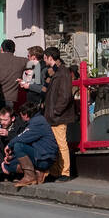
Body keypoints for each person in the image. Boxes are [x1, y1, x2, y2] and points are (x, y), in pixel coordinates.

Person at [0, 101, 58, 187]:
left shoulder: (37, 122)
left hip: (44, 159)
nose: (21, 117)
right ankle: (38, 172)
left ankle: (30, 176)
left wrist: (9, 145)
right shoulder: (36, 120)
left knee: (18, 145)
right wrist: (12, 156)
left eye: (21, 115)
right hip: (39, 155)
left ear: (26, 115)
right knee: (8, 165)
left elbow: (23, 137)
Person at [42, 47, 76, 181]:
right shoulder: (54, 72)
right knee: (55, 144)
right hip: (53, 115)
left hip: (58, 116)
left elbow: (65, 95)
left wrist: (56, 111)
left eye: (45, 57)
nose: (44, 60)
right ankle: (56, 171)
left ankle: (65, 172)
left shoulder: (62, 72)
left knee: (61, 144)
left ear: (50, 57)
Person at [0, 106, 25, 185]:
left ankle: (16, 174)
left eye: (5, 120)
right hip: (3, 157)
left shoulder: (20, 126)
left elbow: (22, 140)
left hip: (15, 157)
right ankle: (5, 174)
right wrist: (2, 162)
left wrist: (8, 134)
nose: (2, 122)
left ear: (12, 118)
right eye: (1, 120)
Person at [0, 38, 28, 112]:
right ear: (14, 50)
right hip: (11, 97)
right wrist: (30, 81)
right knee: (8, 121)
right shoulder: (22, 61)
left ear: (1, 48)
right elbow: (37, 64)